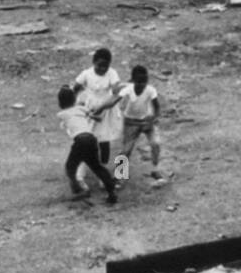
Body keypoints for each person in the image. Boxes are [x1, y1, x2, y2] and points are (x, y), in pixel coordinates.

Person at [57, 86, 117, 204]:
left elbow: (64, 124)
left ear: (60, 103)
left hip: (80, 141)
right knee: (97, 167)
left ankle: (79, 191)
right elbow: (97, 118)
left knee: (70, 167)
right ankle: (111, 193)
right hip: (91, 139)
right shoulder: (81, 109)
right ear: (74, 100)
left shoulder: (62, 114)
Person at [73, 48, 124, 184]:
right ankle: (80, 175)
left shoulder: (112, 74)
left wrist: (115, 90)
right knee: (85, 140)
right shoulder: (87, 74)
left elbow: (116, 90)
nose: (102, 69)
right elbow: (76, 87)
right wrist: (76, 103)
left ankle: (103, 174)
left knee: (104, 142)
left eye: (105, 66)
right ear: (94, 62)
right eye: (99, 65)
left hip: (105, 110)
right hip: (90, 110)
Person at [117, 65, 162, 179]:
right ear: (133, 81)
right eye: (139, 82)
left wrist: (152, 120)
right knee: (126, 150)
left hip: (147, 120)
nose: (142, 85)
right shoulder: (127, 90)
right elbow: (116, 102)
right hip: (131, 122)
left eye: (144, 82)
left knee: (156, 144)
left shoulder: (151, 90)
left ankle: (155, 170)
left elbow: (157, 108)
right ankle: (119, 175)